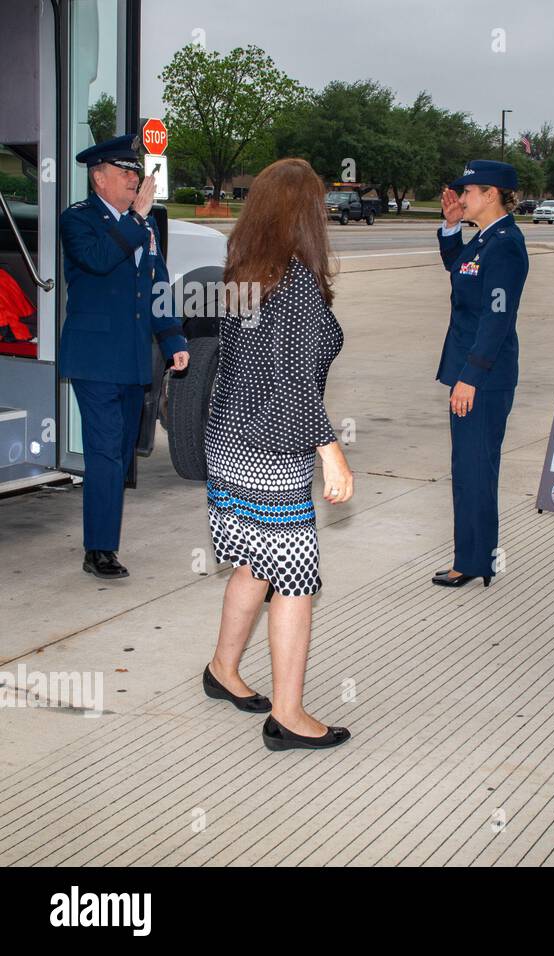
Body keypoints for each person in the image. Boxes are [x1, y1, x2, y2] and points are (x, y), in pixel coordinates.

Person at [202, 158, 353, 752]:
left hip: (229, 444)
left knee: (254, 565)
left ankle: (222, 669)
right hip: (270, 451)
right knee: (293, 577)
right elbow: (292, 385)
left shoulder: (242, 273)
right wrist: (333, 454)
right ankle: (288, 714)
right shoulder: (292, 286)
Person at [59, 133, 189, 580]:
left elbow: (156, 285)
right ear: (99, 178)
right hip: (94, 358)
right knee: (104, 453)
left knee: (119, 450)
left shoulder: (146, 224)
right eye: (125, 172)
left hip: (134, 357)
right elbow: (97, 259)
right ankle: (100, 549)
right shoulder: (78, 220)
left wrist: (173, 341)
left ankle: (101, 532)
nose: (135, 179)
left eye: (136, 172)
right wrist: (135, 218)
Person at [431, 160, 529, 588]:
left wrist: (470, 376)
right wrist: (451, 228)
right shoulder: (484, 240)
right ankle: (471, 558)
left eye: (467, 193)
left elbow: (497, 318)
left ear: (491, 194)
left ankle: (474, 562)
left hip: (483, 376)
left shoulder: (505, 245)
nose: (461, 198)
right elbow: (460, 270)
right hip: (470, 370)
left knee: (476, 467)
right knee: (467, 466)